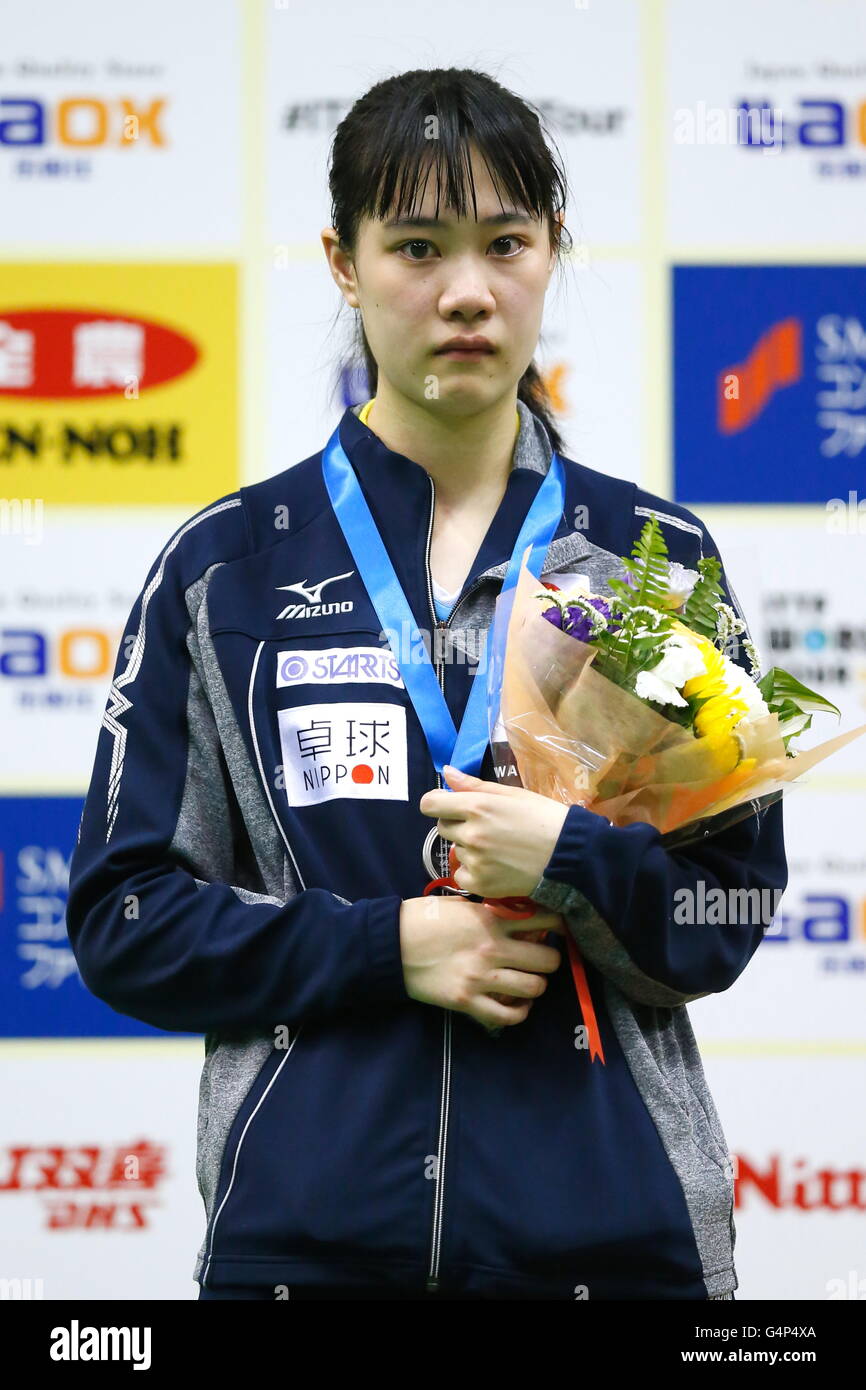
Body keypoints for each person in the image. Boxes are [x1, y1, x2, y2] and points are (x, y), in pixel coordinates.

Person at [66, 66, 785, 1301]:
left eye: (505, 242)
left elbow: (723, 912)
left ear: (550, 251)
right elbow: (125, 920)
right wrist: (383, 943)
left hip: (614, 1258)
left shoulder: (646, 565)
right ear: (341, 262)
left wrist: (569, 855)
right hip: (306, 1260)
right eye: (415, 246)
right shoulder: (227, 567)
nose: (465, 290)